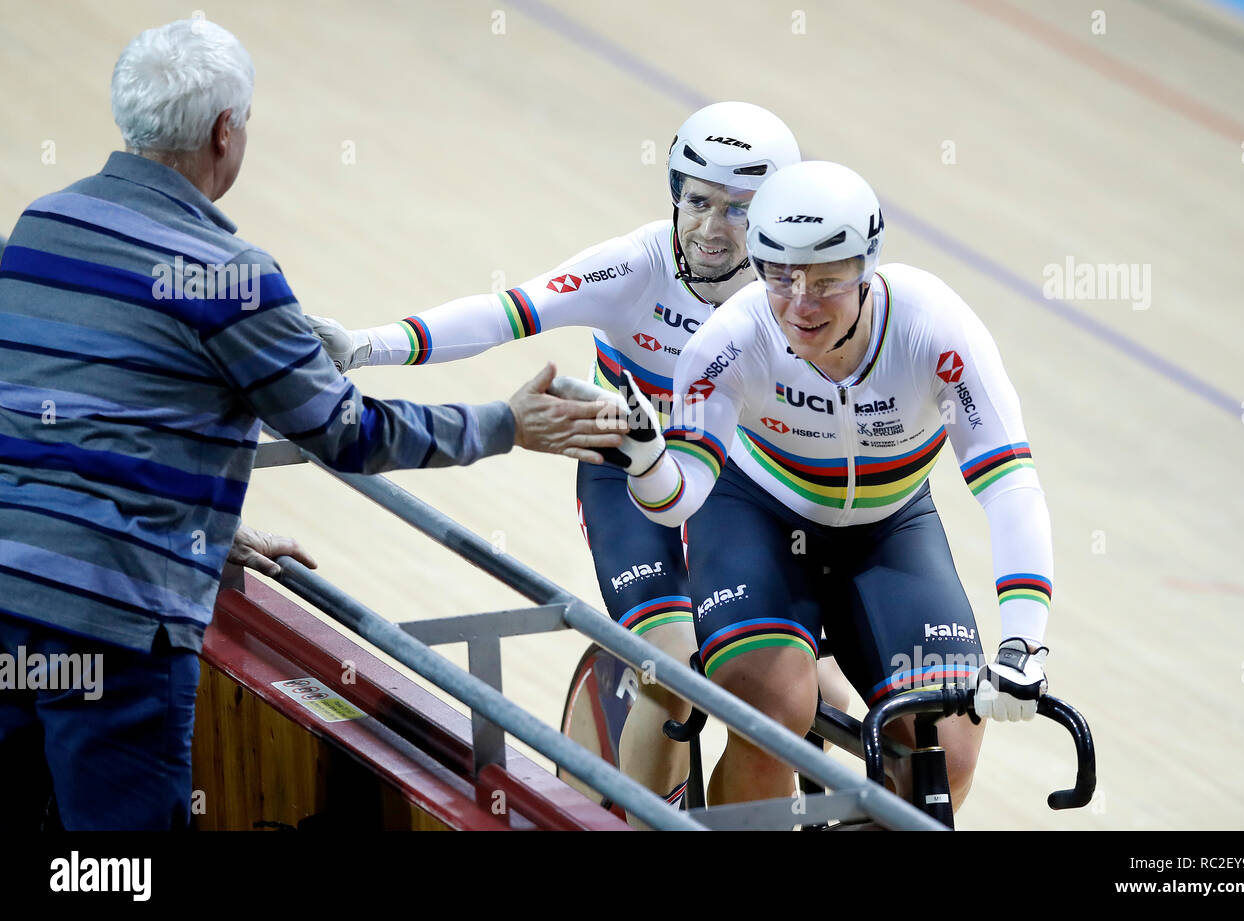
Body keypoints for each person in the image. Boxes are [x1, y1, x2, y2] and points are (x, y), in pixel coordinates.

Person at [0, 19, 620, 831]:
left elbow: (65, 415)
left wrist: (202, 531)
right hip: (118, 618)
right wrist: (506, 422)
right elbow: (347, 430)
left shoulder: (42, 225)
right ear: (226, 132)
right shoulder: (228, 276)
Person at [306, 103, 859, 815]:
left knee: (819, 701)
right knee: (675, 671)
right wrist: (368, 344)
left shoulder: (799, 301)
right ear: (674, 195)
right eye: (696, 200)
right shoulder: (635, 265)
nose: (710, 228)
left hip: (734, 493)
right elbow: (503, 311)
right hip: (628, 479)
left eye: (737, 210)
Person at [621, 161, 1054, 809]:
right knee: (777, 713)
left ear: (869, 266)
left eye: (826, 281)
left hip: (889, 527)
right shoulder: (729, 340)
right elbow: (680, 497)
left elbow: (1008, 481)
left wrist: (1023, 638)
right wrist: (644, 460)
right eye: (779, 276)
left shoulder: (931, 325)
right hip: (756, 517)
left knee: (946, 750)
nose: (801, 303)